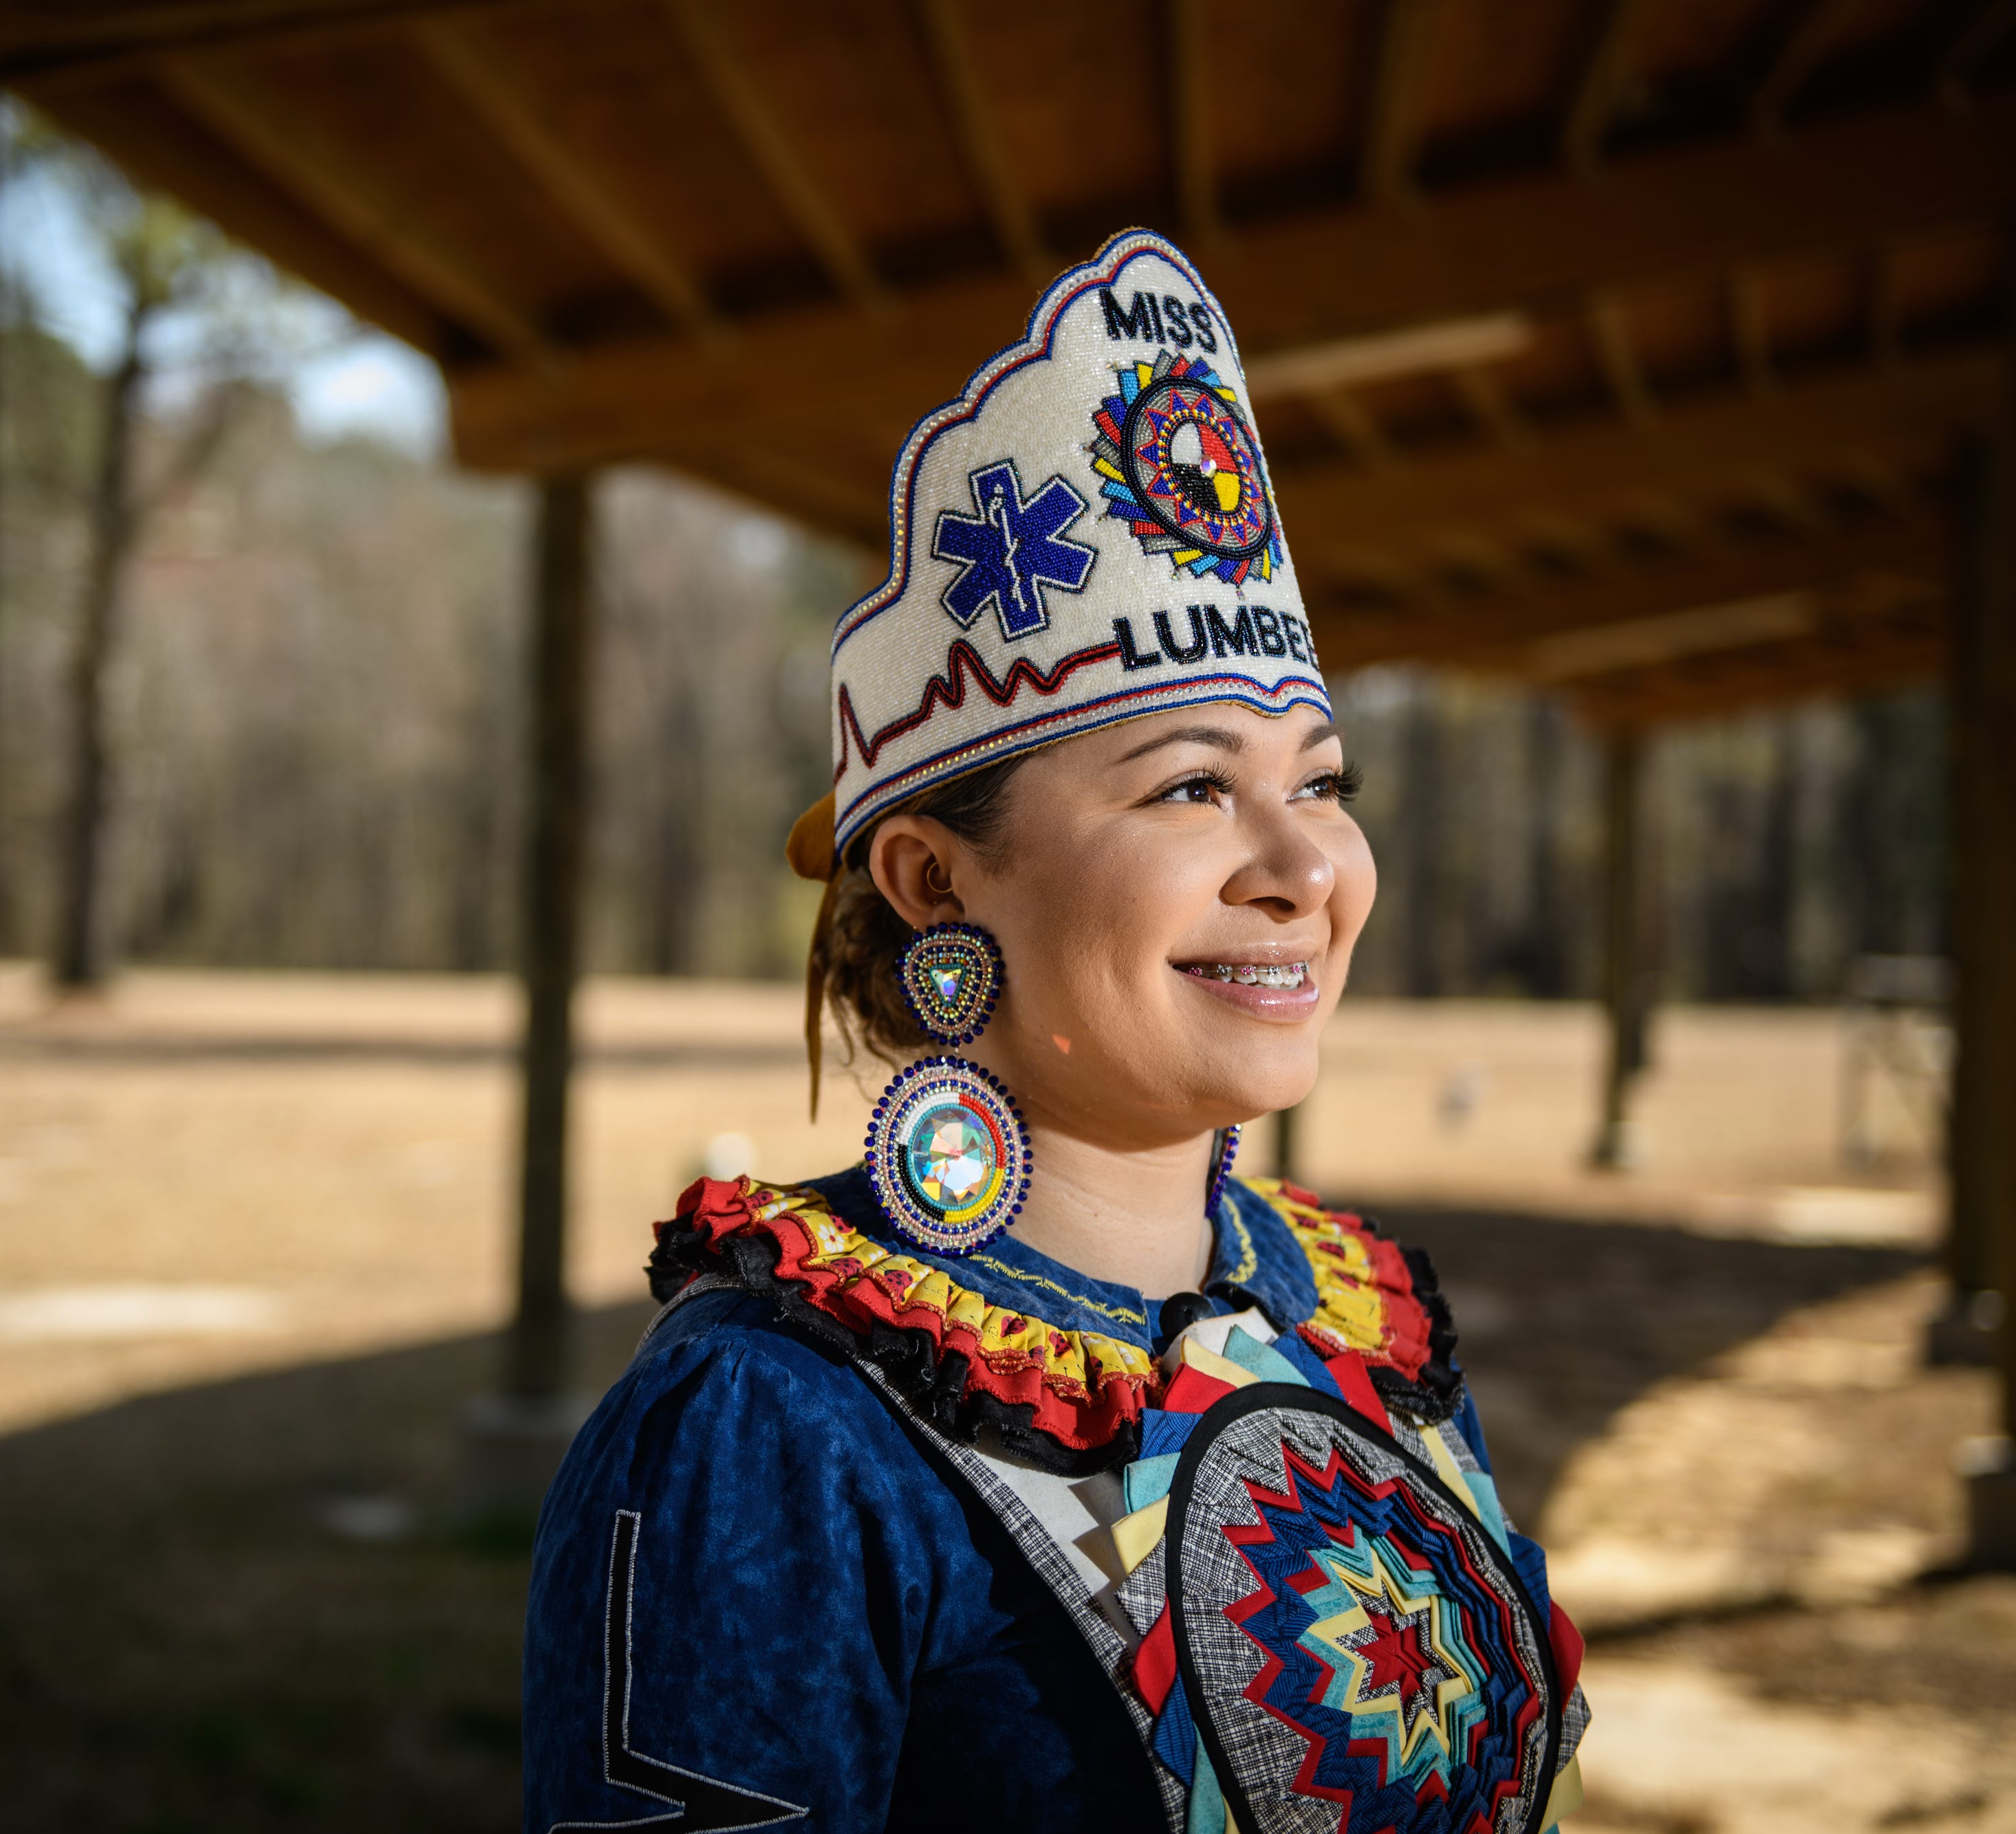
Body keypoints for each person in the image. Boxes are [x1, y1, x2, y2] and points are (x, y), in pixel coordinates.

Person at [522, 229, 1587, 1834]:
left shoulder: (1357, 1313)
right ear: (936, 876)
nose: (1304, 869)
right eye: (1188, 786)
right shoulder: (769, 1434)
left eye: (1318, 782)